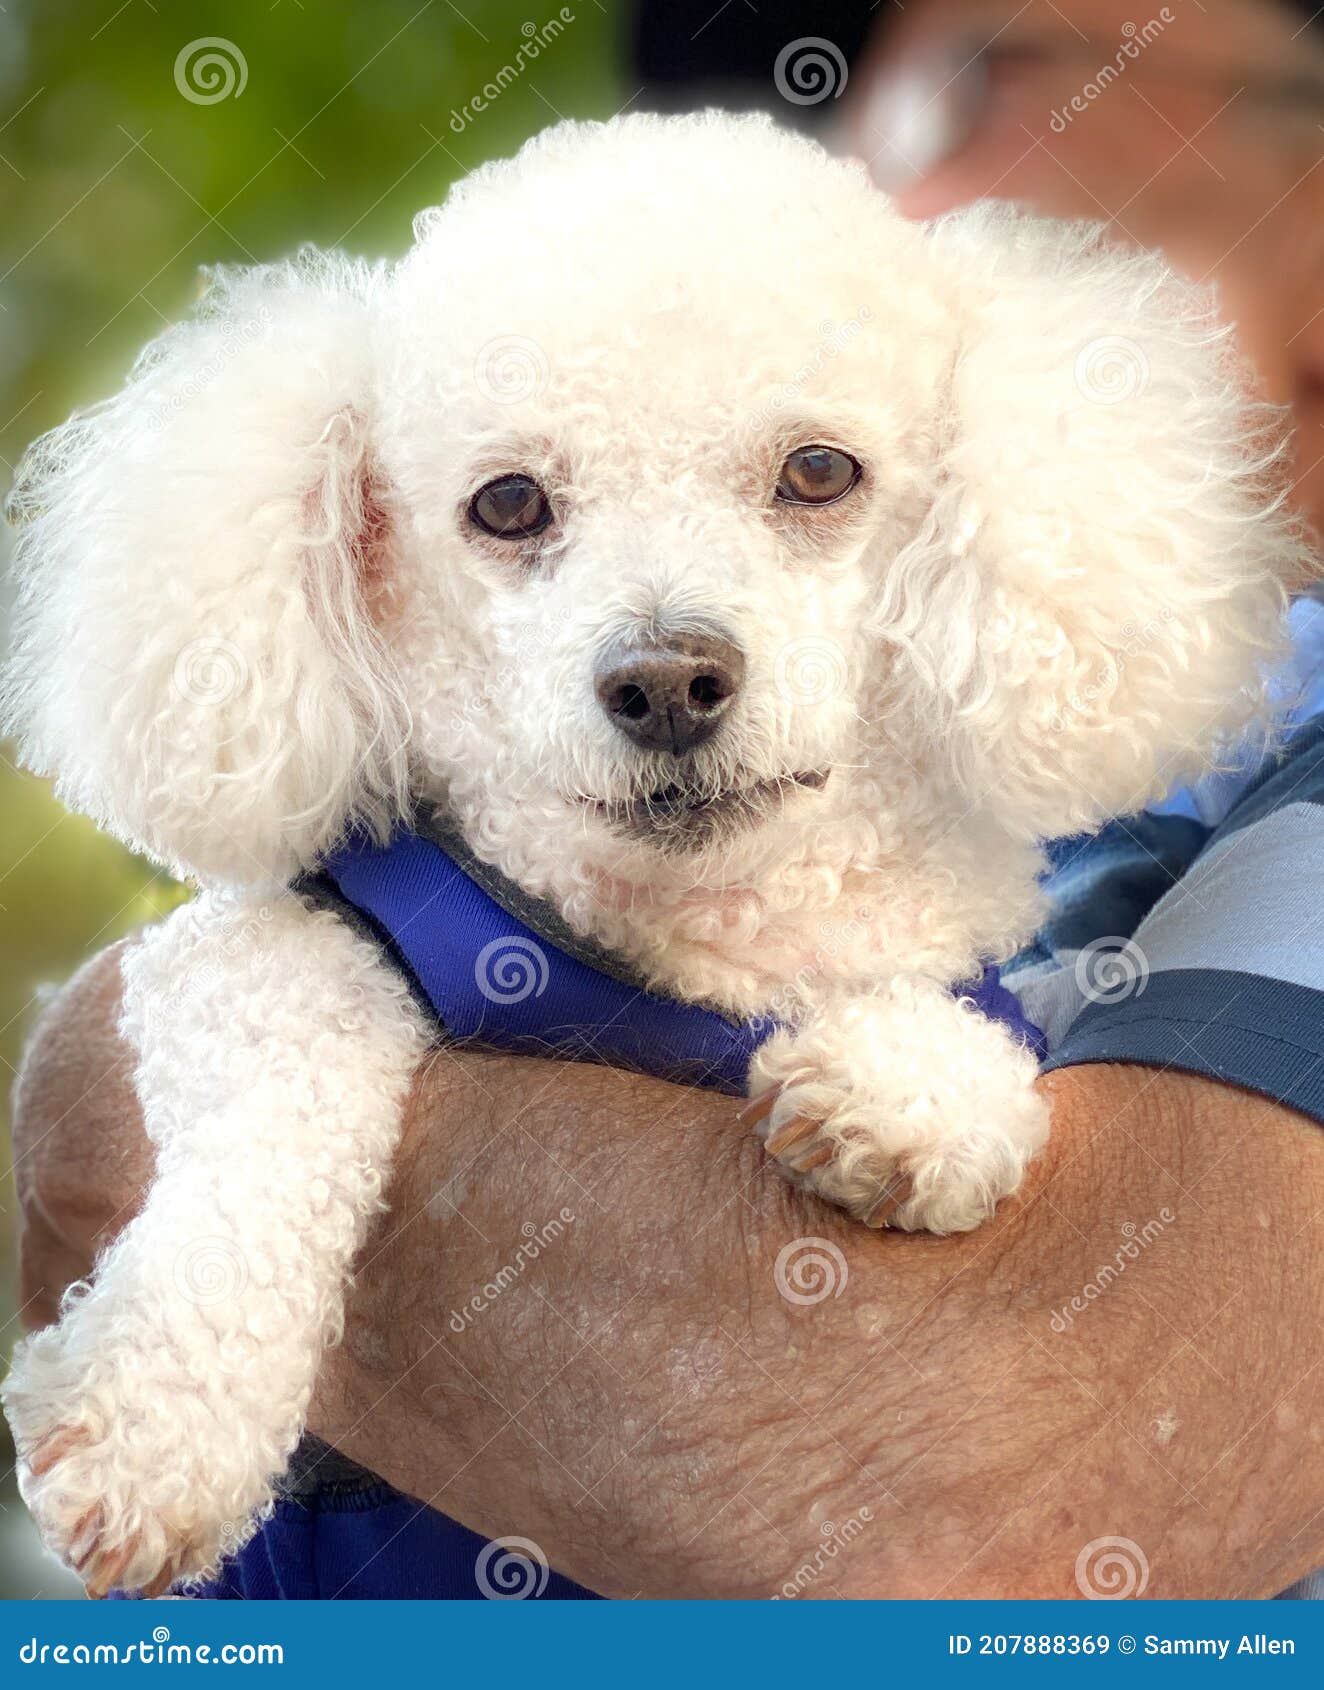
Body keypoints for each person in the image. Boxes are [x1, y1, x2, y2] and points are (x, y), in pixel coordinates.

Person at [7, 0, 1324, 1600]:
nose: (662, 655)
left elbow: (1011, 1517)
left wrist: (122, 1099)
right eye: (513, 510)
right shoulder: (376, 903)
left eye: (812, 479)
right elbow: (209, 1025)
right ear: (366, 543)